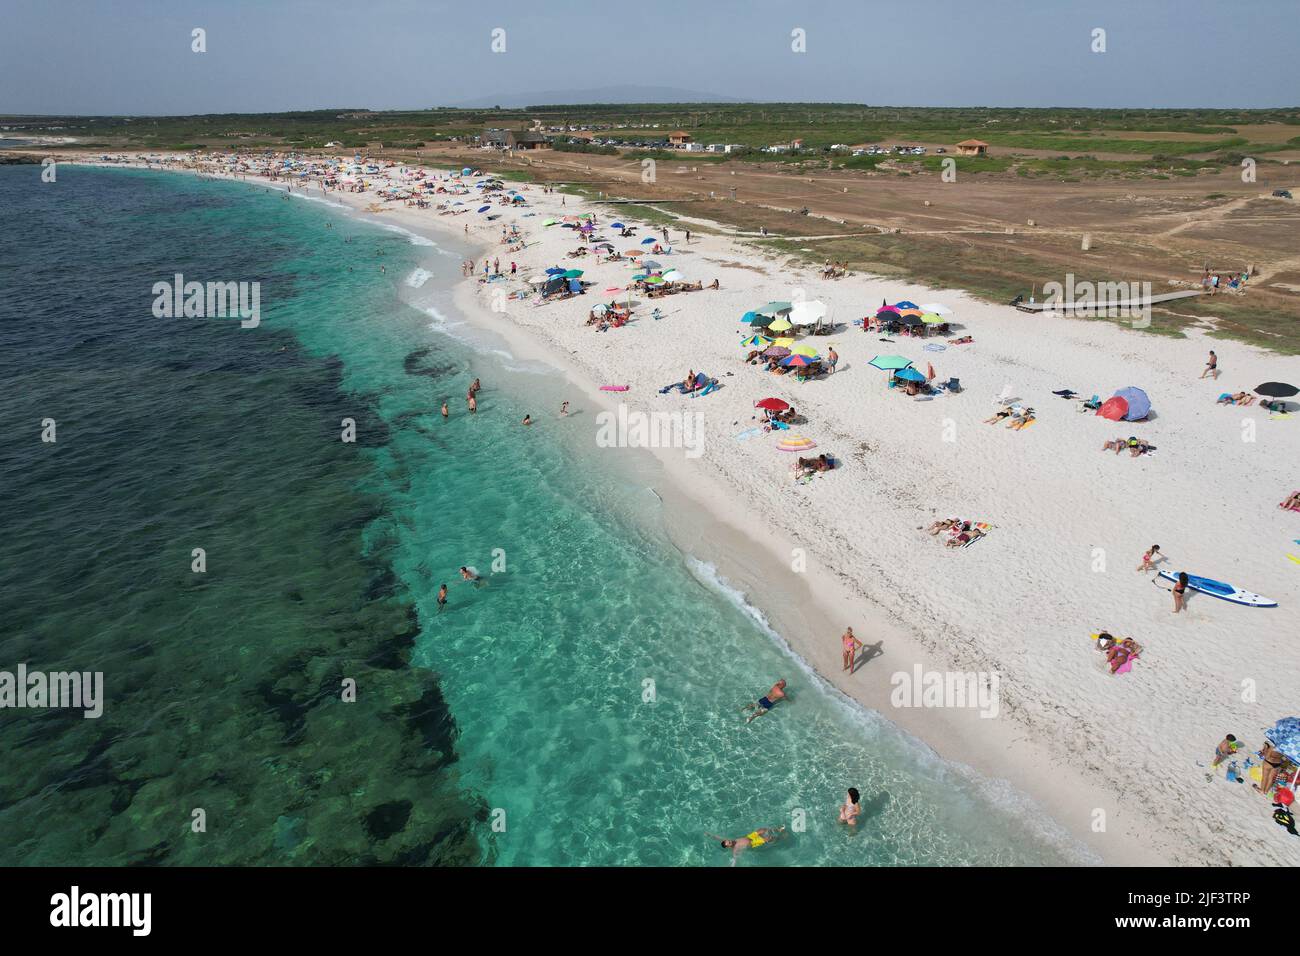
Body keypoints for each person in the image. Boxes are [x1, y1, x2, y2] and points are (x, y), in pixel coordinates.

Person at [704, 826, 787, 866]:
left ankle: (777, 829)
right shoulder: (735, 849)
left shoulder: (732, 841)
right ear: (728, 846)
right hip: (752, 843)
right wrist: (732, 864)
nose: (729, 841)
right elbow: (734, 858)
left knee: (762, 830)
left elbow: (718, 838)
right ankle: (780, 838)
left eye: (728, 841)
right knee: (768, 839)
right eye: (728, 843)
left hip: (749, 837)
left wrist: (709, 835)